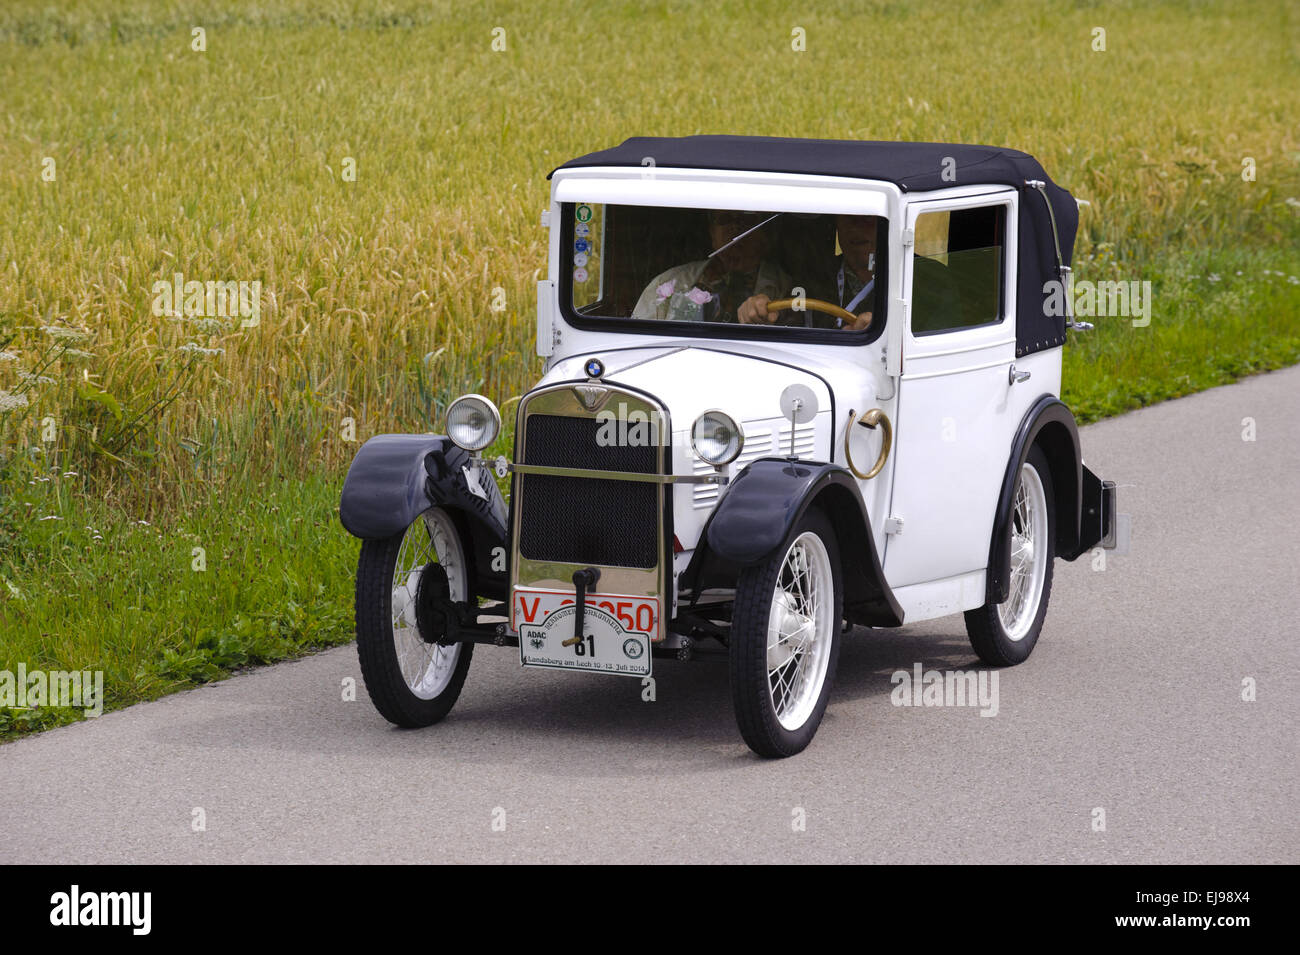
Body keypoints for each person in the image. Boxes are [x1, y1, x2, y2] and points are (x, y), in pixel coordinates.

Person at [632, 210, 789, 323]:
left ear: (765, 235)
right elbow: (639, 342)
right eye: (725, 219)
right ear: (712, 233)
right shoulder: (669, 283)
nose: (735, 228)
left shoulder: (787, 288)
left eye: (746, 220)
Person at [737, 214, 881, 330]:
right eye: (848, 218)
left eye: (867, 219)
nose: (856, 228)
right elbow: (786, 318)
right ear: (837, 225)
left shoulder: (900, 282)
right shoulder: (814, 275)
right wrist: (757, 311)